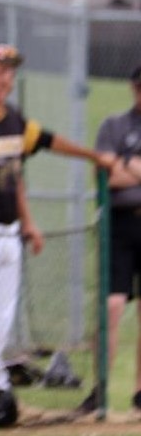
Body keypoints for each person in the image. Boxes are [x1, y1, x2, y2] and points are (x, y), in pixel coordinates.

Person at [0, 43, 110, 421]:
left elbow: (43, 145)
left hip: (8, 231)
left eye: (6, 71)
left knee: (0, 315)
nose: (0, 79)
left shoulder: (13, 120)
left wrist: (92, 157)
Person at [95, 65, 141, 415]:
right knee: (112, 306)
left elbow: (120, 170)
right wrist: (122, 170)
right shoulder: (114, 126)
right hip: (120, 223)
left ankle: (139, 392)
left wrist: (129, 167)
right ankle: (99, 390)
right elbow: (106, 175)